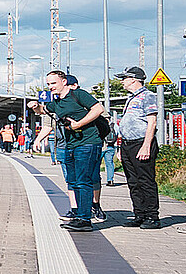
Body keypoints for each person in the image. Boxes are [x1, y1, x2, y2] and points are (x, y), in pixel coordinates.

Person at [32, 69, 105, 231]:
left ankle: (85, 219)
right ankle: (78, 216)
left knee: (83, 180)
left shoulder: (78, 94)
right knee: (73, 181)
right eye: (48, 84)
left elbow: (98, 109)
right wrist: (36, 107)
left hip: (88, 142)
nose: (50, 87)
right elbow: (43, 111)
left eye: (53, 83)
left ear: (64, 82)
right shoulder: (57, 102)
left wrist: (79, 124)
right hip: (71, 144)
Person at [114, 66, 161, 228]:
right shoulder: (131, 98)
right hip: (128, 144)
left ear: (134, 79)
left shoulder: (147, 96)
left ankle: (152, 216)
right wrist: (120, 147)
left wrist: (146, 145)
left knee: (145, 180)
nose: (122, 81)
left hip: (141, 142)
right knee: (133, 181)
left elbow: (152, 122)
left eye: (124, 78)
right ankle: (139, 214)